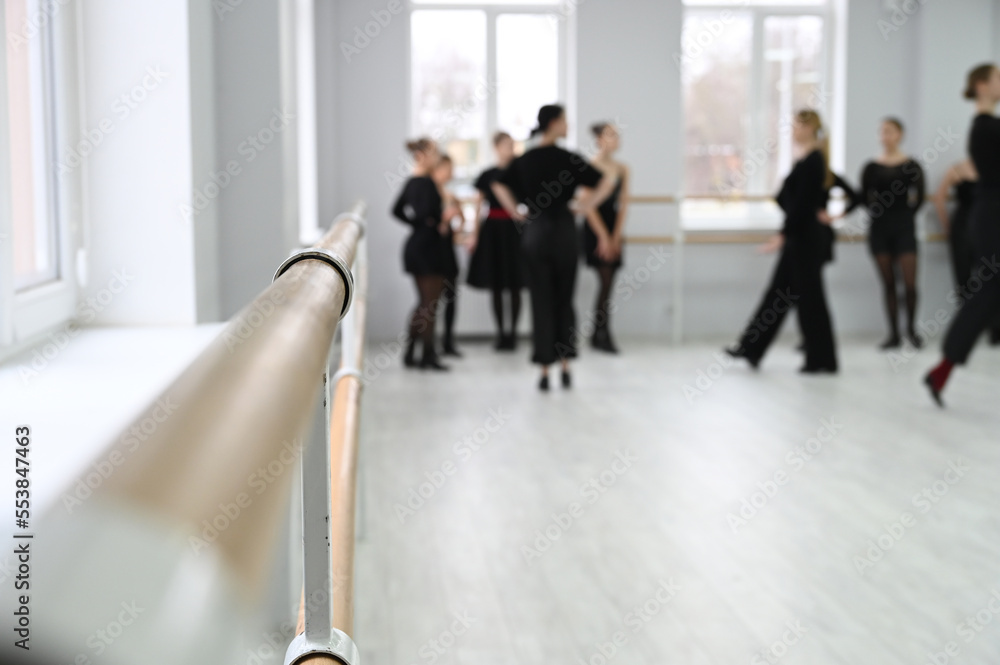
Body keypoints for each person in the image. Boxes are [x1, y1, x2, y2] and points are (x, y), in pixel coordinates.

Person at [491, 104, 618, 391]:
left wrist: (515, 211)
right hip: (563, 231)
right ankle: (564, 363)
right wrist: (584, 206)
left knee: (540, 300)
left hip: (534, 231)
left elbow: (497, 183)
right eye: (565, 120)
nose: (568, 125)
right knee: (564, 298)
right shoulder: (569, 158)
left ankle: (544, 368)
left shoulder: (526, 160)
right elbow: (607, 183)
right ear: (554, 123)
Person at [726, 110, 839, 373]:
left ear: (811, 128)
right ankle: (751, 348)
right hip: (799, 238)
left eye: (799, 125)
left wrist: (783, 234)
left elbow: (801, 206)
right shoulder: (806, 160)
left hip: (805, 240)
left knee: (810, 300)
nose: (794, 129)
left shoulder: (814, 161)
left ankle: (822, 360)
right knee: (778, 294)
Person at [925, 63, 1000, 406]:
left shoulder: (988, 126)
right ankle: (942, 369)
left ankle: (942, 371)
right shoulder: (985, 128)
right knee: (985, 293)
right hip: (992, 218)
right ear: (982, 85)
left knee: (986, 294)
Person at [857, 118, 926, 349]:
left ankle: (912, 330)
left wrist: (904, 215)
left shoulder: (912, 166)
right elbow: (864, 197)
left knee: (909, 284)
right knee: (889, 283)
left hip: (904, 226)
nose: (885, 136)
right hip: (880, 228)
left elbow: (920, 197)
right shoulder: (871, 167)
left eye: (890, 131)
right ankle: (894, 334)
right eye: (882, 132)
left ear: (900, 134)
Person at [391, 138, 451, 371]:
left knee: (424, 303)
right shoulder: (425, 183)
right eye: (434, 153)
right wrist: (436, 221)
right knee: (429, 304)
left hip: (418, 245)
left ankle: (412, 353)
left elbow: (397, 211)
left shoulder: (411, 182)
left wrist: (417, 224)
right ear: (423, 155)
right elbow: (427, 212)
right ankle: (427, 355)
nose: (437, 157)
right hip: (427, 248)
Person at [933, 158, 1000, 344]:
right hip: (962, 227)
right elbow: (939, 198)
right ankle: (967, 331)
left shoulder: (993, 168)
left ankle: (995, 327)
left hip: (988, 227)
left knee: (991, 278)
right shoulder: (956, 169)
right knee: (963, 279)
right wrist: (947, 227)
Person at [467, 132, 524, 350]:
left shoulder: (518, 172)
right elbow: (478, 206)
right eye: (507, 145)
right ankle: (501, 333)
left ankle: (514, 334)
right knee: (498, 284)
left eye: (513, 144)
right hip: (493, 231)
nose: (511, 149)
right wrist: (474, 234)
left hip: (515, 230)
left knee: (516, 284)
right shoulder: (487, 174)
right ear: (496, 147)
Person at [581, 122, 629, 353]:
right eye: (611, 135)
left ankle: (597, 333)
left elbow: (624, 204)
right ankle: (602, 334)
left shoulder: (622, 169)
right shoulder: (591, 167)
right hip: (595, 229)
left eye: (617, 135)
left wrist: (616, 236)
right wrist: (603, 237)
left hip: (613, 228)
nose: (616, 139)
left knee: (609, 284)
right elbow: (587, 206)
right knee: (605, 281)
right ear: (599, 140)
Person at [430, 154, 464, 357]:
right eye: (449, 169)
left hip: (448, 251)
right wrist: (446, 218)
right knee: (431, 300)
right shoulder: (432, 194)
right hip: (435, 253)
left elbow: (456, 225)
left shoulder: (450, 195)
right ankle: (429, 345)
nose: (451, 174)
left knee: (451, 297)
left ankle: (448, 342)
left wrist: (456, 218)